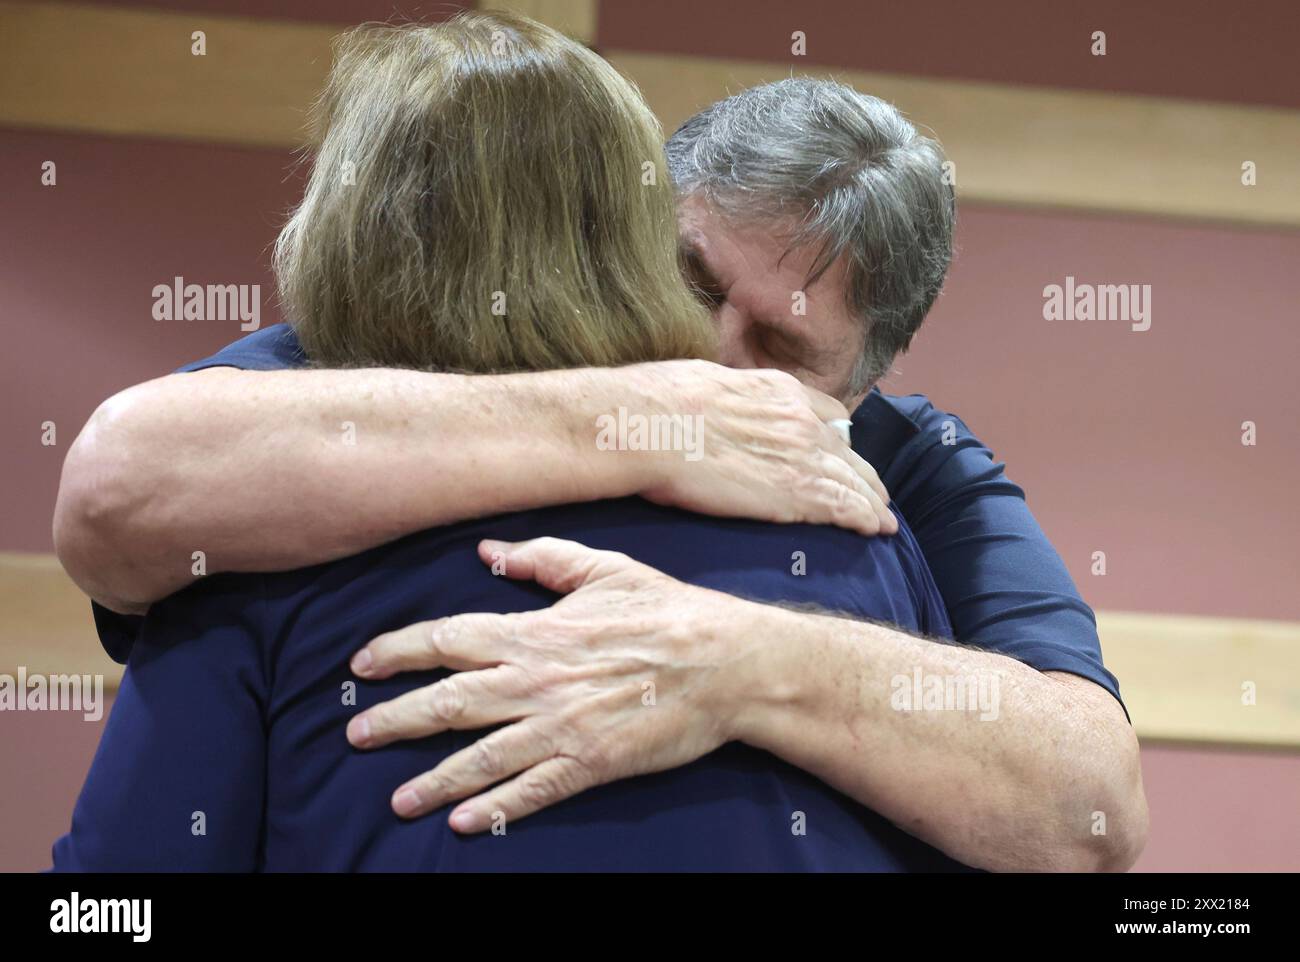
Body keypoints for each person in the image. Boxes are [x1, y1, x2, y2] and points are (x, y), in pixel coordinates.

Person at [53, 31, 1147, 872]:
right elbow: (119, 487)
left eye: (780, 345)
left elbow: (1091, 808)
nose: (715, 358)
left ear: (867, 381)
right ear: (625, 231)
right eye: (695, 281)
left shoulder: (896, 482)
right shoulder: (366, 378)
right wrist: (634, 426)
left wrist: (741, 663)